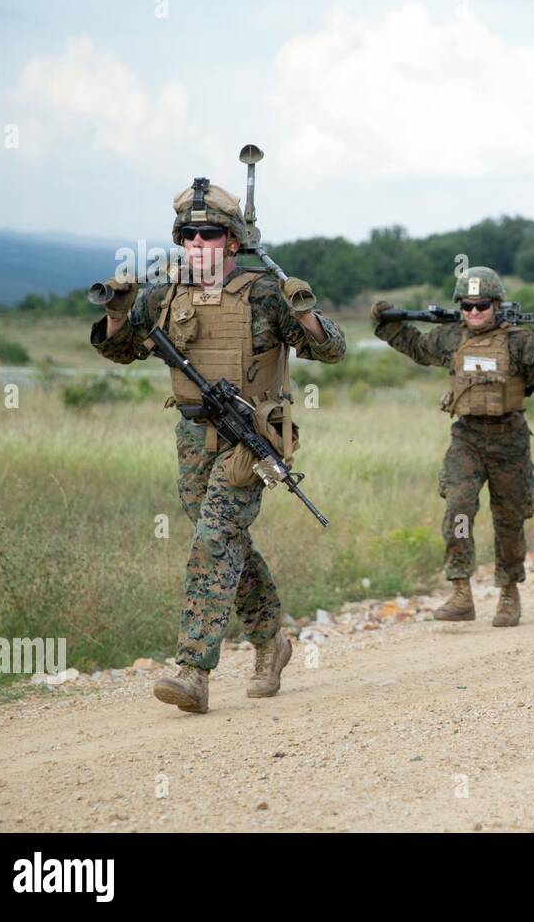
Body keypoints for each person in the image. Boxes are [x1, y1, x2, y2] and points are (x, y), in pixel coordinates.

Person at [91, 178, 346, 713]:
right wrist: (118, 311)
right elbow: (122, 350)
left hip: (249, 438)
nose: (195, 244)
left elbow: (332, 350)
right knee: (227, 543)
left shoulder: (264, 292)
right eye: (187, 234)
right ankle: (270, 642)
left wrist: (304, 310)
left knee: (212, 541)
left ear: (231, 241)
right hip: (192, 437)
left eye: (208, 234)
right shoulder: (166, 291)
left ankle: (192, 671)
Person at [371, 268, 534, 627]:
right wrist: (388, 324)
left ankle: (509, 591)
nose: (474, 313)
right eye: (467, 306)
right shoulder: (452, 338)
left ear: (497, 305)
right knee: (459, 510)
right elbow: (419, 348)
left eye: (481, 305)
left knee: (509, 520)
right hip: (467, 438)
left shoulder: (520, 342)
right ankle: (461, 590)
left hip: (509, 439)